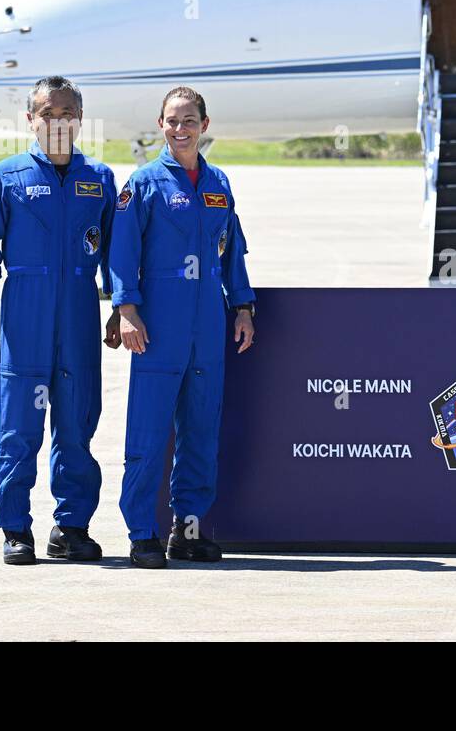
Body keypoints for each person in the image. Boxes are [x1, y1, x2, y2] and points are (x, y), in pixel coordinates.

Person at [0, 76, 120, 565]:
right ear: (31, 120)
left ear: (80, 119)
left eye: (67, 113)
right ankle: (15, 528)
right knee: (19, 426)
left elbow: (117, 253)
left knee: (77, 424)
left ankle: (71, 526)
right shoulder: (6, 177)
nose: (57, 122)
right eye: (46, 114)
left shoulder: (99, 178)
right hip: (25, 317)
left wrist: (120, 306)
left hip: (78, 313)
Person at [110, 86, 256, 568]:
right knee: (148, 434)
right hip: (159, 325)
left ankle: (187, 531)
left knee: (199, 432)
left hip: (208, 324)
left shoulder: (219, 185)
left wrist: (242, 306)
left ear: (204, 125)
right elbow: (123, 252)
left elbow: (232, 250)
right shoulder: (144, 183)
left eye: (189, 120)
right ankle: (141, 533)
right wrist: (126, 309)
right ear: (160, 124)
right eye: (172, 121)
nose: (180, 129)